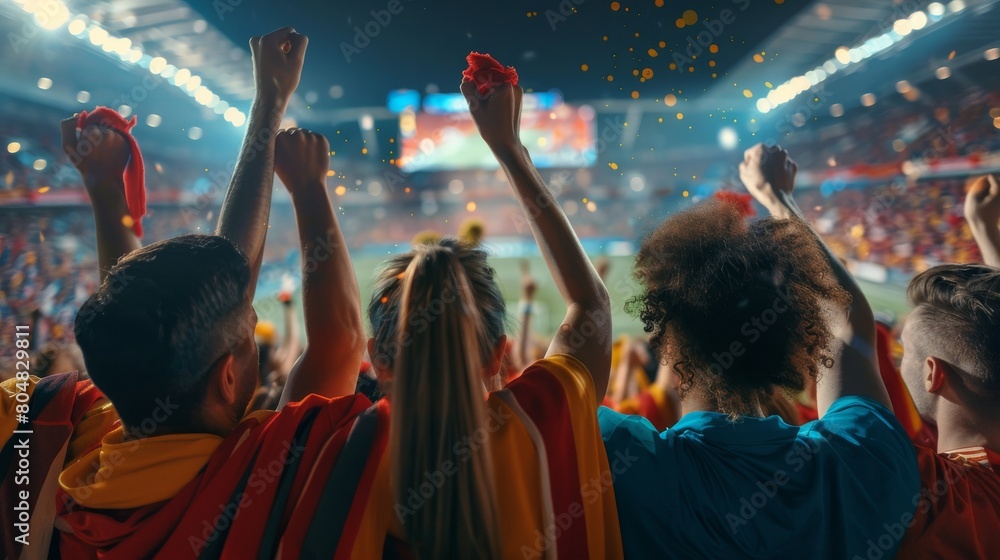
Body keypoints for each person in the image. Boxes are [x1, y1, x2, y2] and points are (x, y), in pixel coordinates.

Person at [0, 27, 374, 558]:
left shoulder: (66, 438)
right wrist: (295, 158)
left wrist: (107, 194)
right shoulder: (269, 471)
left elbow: (144, 315)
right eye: (245, 336)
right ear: (226, 377)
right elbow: (340, 341)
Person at [304, 79, 622, 559]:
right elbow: (591, 306)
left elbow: (331, 343)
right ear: (499, 352)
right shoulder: (542, 416)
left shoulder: (337, 445)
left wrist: (306, 186)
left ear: (377, 360)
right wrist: (510, 149)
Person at [598, 144, 920, 558]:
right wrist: (778, 199)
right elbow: (850, 323)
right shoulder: (857, 455)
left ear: (667, 344)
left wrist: (512, 153)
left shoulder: (626, 461)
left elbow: (557, 381)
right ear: (792, 341)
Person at [889, 175, 1000, 558]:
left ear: (932, 374)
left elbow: (849, 337)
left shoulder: (923, 491)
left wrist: (782, 202)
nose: (897, 361)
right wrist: (985, 230)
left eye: (905, 354)